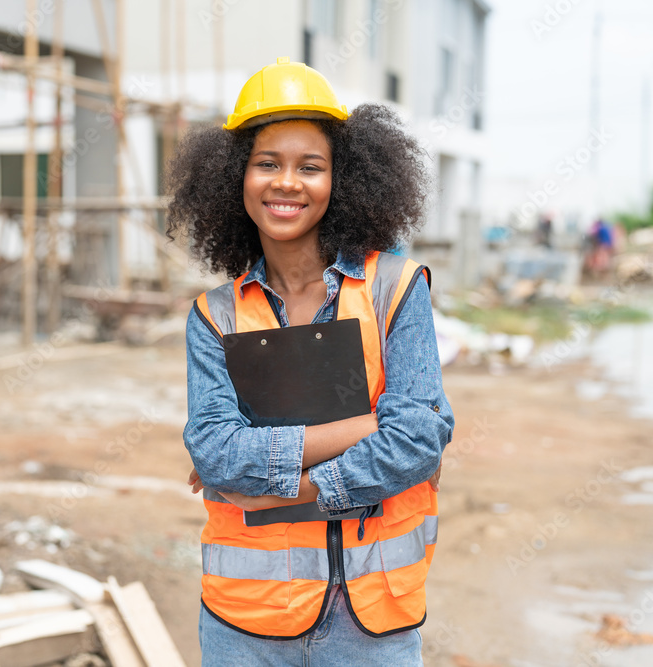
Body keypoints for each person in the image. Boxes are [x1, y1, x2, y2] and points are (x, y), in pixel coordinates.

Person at [166, 58, 454, 665]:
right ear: (234, 178)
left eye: (311, 167)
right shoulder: (214, 317)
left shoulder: (395, 290)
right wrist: (365, 425)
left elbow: (420, 435)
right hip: (246, 622)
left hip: (372, 622)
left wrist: (296, 489)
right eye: (267, 163)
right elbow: (215, 452)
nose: (286, 182)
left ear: (342, 180)